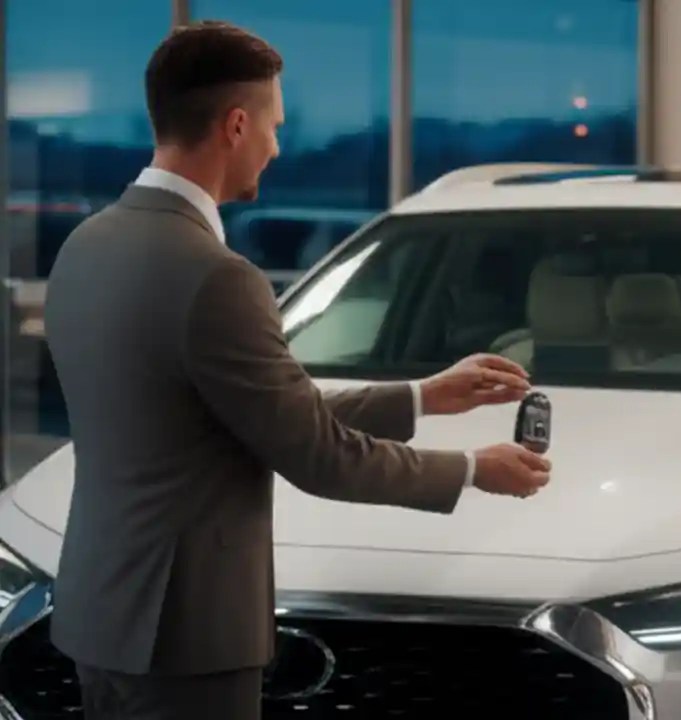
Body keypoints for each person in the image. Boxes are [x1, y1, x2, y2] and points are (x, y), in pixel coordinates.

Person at [42, 21, 552, 720]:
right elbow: (317, 456)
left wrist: (422, 397)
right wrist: (472, 470)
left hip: (98, 615)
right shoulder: (217, 278)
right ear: (236, 124)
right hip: (185, 636)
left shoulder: (85, 246)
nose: (278, 146)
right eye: (274, 127)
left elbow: (230, 413)